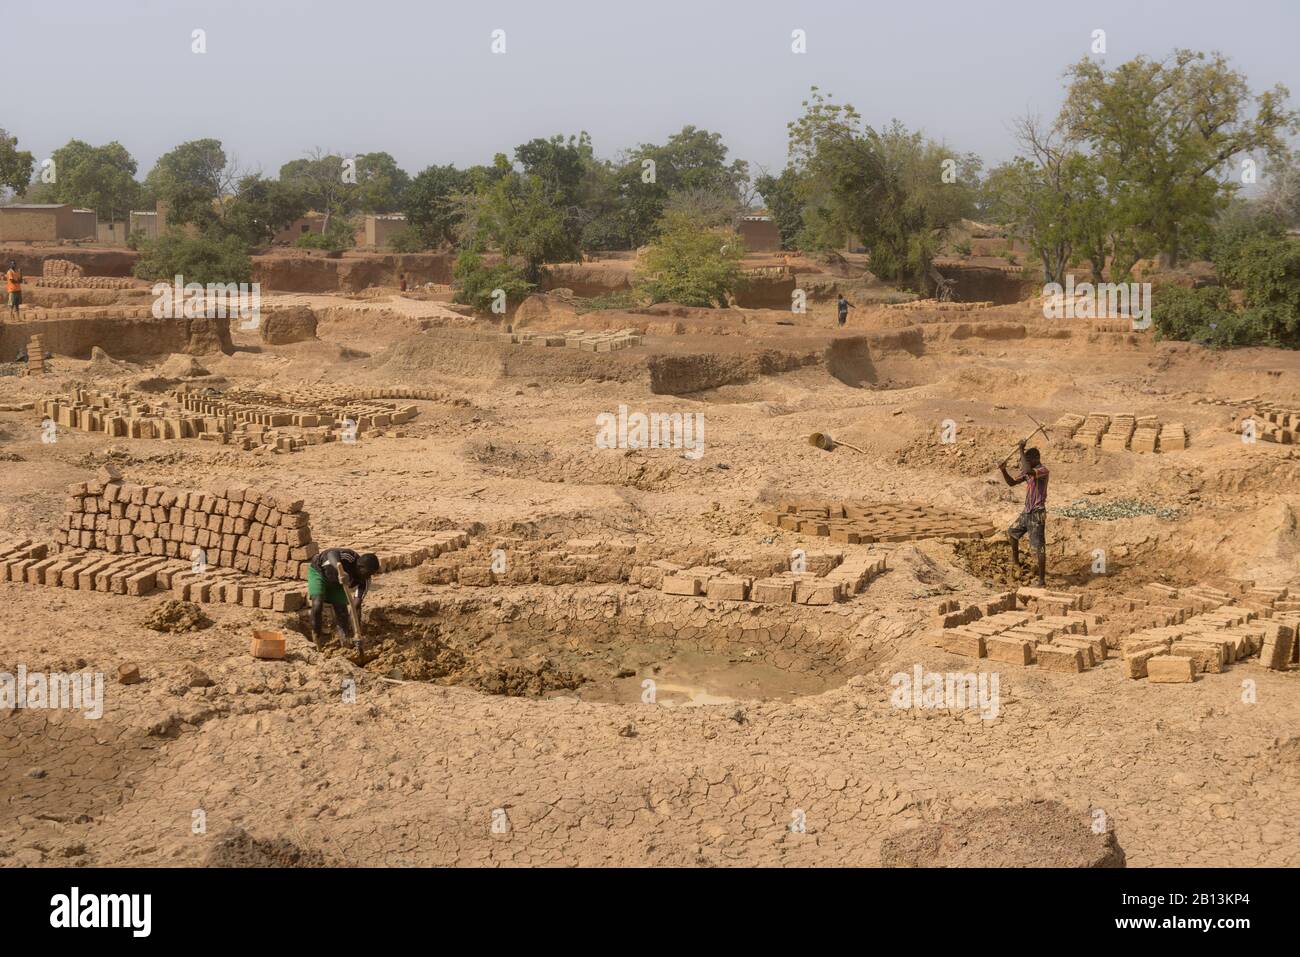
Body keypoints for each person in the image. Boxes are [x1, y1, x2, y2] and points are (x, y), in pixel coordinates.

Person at [308, 547, 380, 653]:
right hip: (319, 572)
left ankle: (345, 640)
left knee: (342, 612)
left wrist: (357, 633)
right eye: (368, 573)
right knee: (318, 604)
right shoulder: (350, 557)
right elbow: (331, 554)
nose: (369, 576)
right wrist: (340, 570)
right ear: (360, 567)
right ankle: (316, 639)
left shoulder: (365, 581)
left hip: (337, 584)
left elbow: (356, 606)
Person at [999, 442, 1049, 587]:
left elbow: (1028, 470)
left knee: (1038, 547)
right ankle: (1015, 562)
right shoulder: (1029, 471)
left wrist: (1021, 450)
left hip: (1037, 514)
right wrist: (1003, 470)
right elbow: (1011, 483)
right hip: (1027, 512)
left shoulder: (1042, 470)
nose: (1025, 463)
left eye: (1028, 460)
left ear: (1035, 459)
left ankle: (1041, 581)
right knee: (1012, 532)